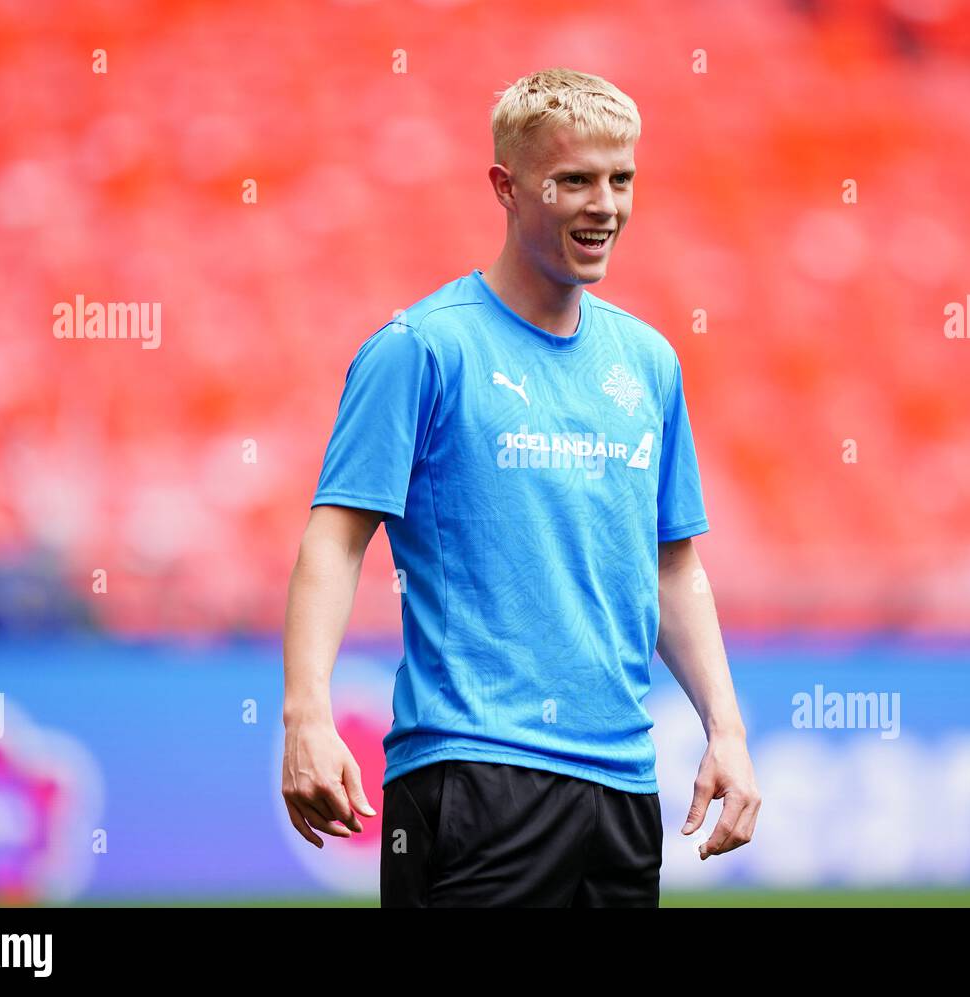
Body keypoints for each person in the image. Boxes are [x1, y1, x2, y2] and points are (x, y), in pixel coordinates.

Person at [281, 67, 759, 907]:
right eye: (573, 179)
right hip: (473, 776)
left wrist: (727, 728)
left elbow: (673, 565)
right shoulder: (421, 348)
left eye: (621, 179)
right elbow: (336, 536)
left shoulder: (648, 363)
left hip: (620, 788)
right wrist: (306, 716)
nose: (604, 205)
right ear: (506, 186)